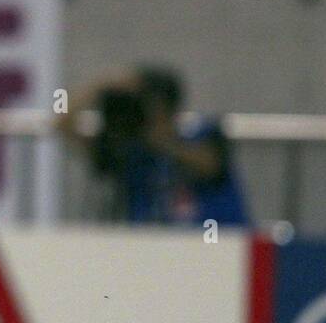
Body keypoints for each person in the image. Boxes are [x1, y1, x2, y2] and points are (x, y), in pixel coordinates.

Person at [59, 66, 249, 227]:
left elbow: (211, 166)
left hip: (218, 244)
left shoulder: (202, 133)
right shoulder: (132, 153)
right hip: (153, 251)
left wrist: (166, 143)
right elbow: (63, 123)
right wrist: (101, 84)